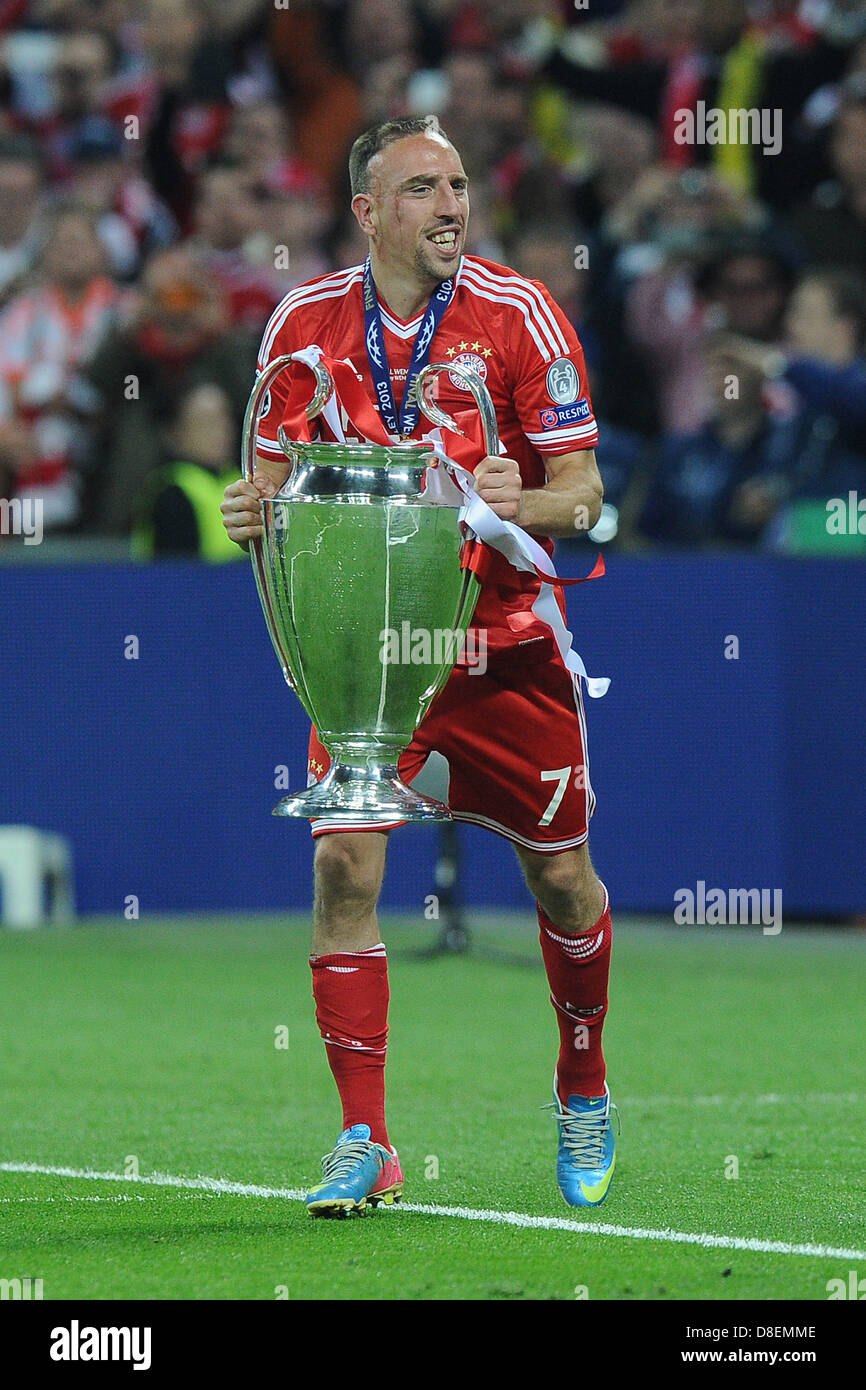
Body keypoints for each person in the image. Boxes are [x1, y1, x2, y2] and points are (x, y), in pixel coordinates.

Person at [221, 116, 617, 1217]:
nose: (450, 206)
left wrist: (516, 502)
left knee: (561, 878)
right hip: (367, 660)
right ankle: (365, 1138)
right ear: (365, 212)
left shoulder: (518, 314)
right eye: (420, 190)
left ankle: (580, 1081)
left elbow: (584, 498)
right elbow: (270, 492)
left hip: (499, 646)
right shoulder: (302, 323)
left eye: (457, 184)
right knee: (342, 870)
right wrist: (246, 508)